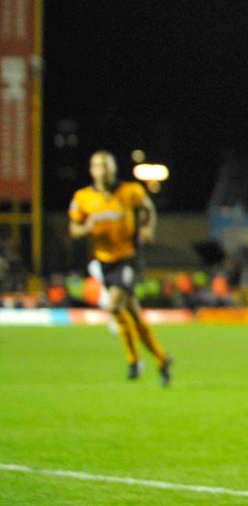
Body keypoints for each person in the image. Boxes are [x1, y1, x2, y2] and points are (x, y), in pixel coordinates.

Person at [68, 150, 173, 385]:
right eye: (98, 166)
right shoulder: (83, 198)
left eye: (106, 165)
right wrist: (86, 228)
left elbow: (148, 208)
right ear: (91, 170)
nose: (102, 170)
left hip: (129, 258)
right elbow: (73, 229)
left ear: (114, 169)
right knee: (133, 314)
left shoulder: (130, 191)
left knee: (113, 304)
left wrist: (148, 228)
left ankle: (134, 360)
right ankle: (161, 359)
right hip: (104, 260)